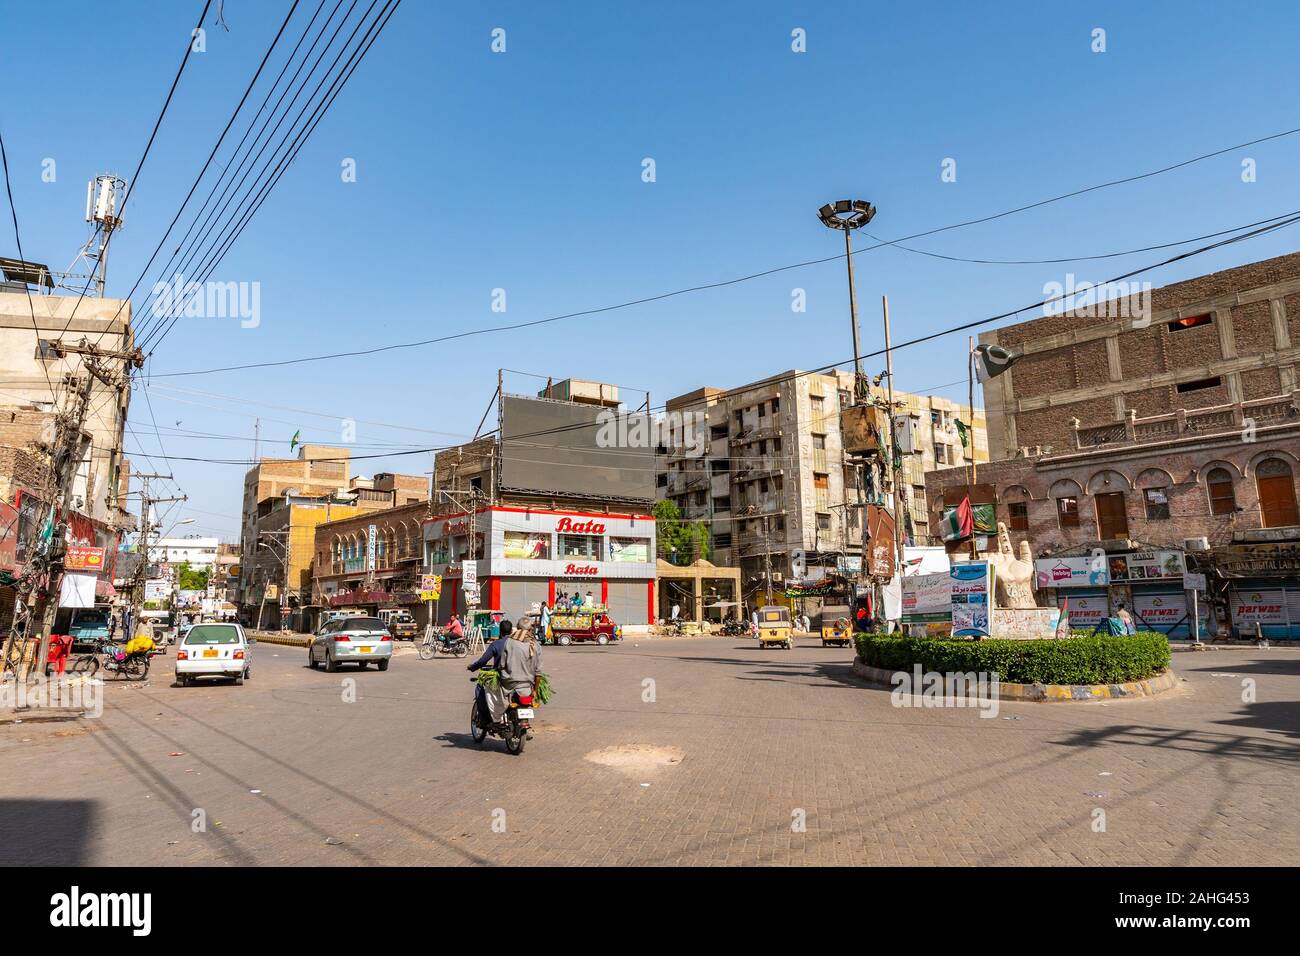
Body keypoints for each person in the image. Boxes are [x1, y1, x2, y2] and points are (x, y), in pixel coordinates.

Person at [467, 617, 542, 727]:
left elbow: (502, 665)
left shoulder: (510, 642)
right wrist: (535, 690)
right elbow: (538, 671)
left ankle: (491, 718)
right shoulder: (536, 645)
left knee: (485, 688)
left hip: (509, 682)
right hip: (528, 683)